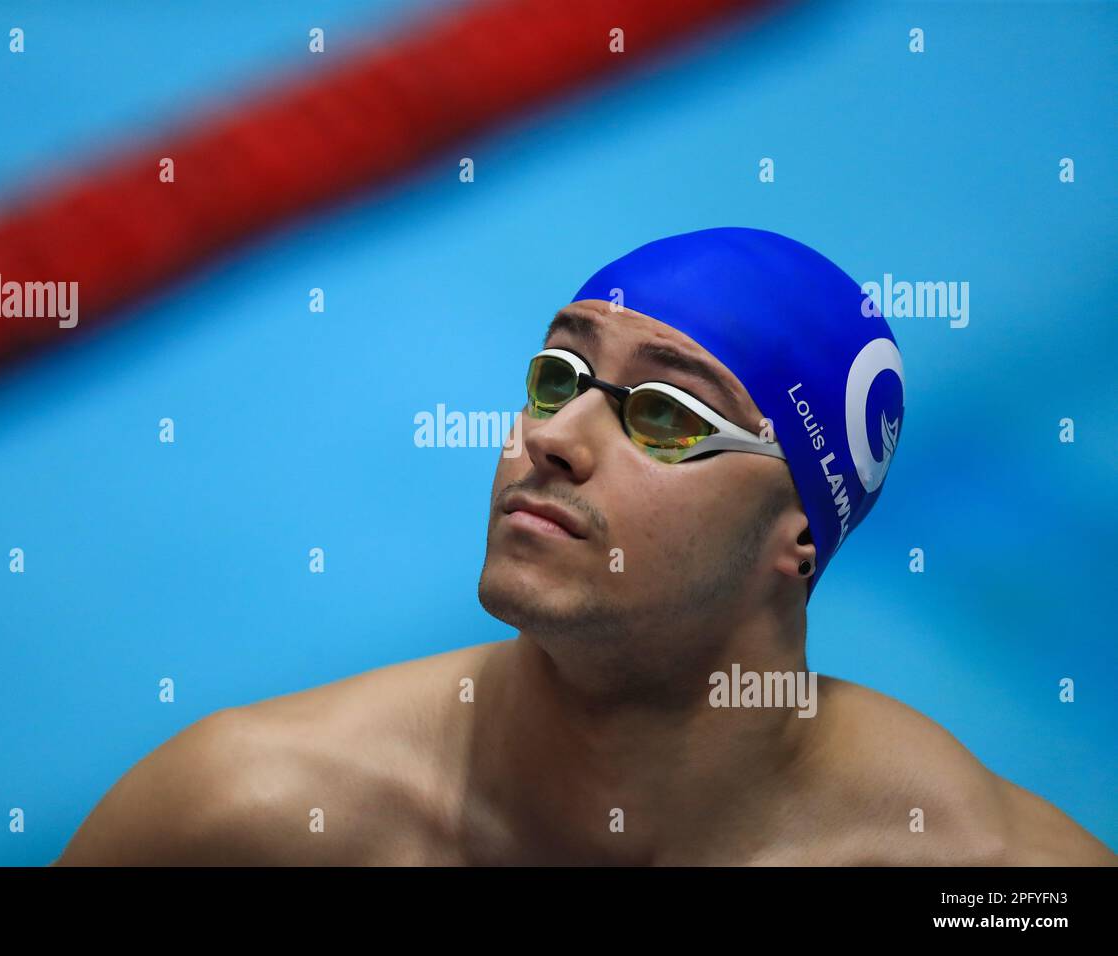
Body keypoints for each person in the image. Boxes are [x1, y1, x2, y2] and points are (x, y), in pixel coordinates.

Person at [54, 228, 1115, 866]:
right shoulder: (248, 815)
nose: (553, 436)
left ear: (798, 535)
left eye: (660, 415)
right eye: (557, 377)